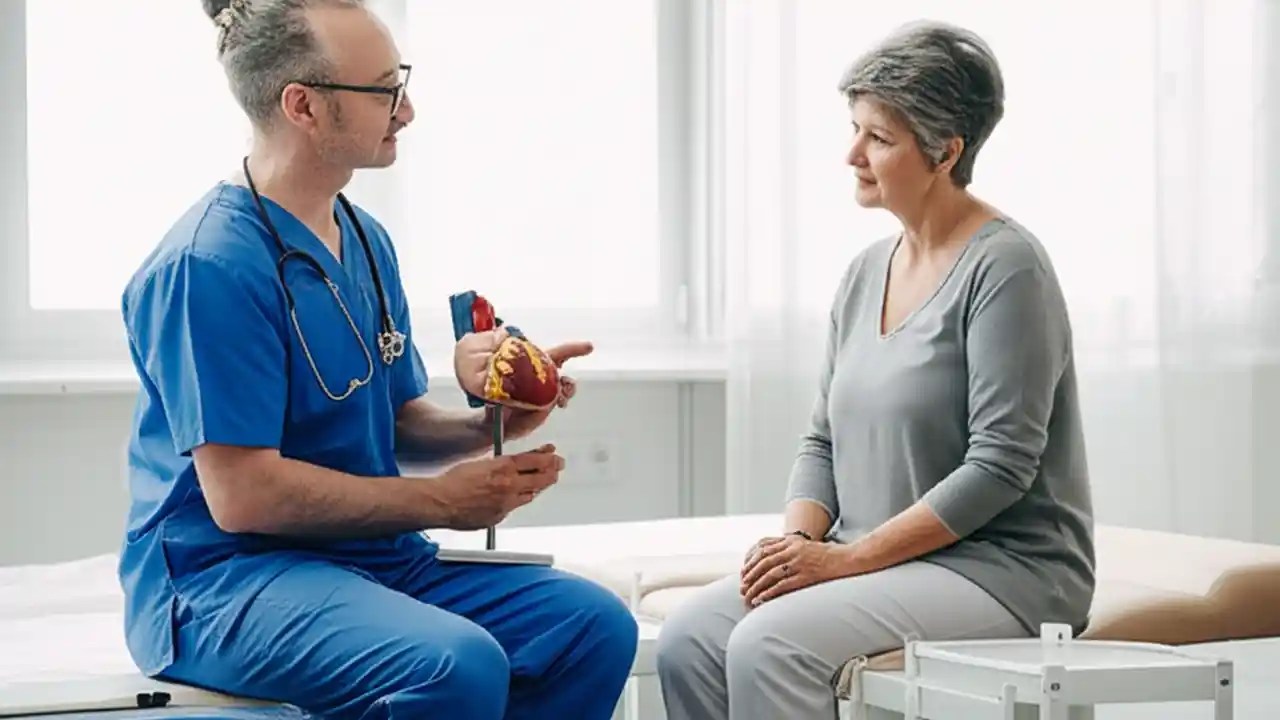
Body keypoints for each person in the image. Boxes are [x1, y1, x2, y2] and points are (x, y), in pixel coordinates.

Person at [117, 1, 637, 718]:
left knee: (590, 628)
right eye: (384, 91)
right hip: (227, 579)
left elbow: (393, 422)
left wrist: (491, 423)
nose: (408, 111)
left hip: (365, 558)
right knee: (454, 663)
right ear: (302, 105)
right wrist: (443, 503)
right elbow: (245, 496)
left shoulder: (363, 239)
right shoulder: (209, 266)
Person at [656, 19, 1095, 719]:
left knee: (770, 643)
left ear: (946, 152)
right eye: (854, 129)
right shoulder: (866, 273)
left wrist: (844, 563)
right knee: (691, 640)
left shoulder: (1007, 269)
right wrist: (800, 545)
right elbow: (821, 441)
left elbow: (1000, 466)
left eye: (879, 138)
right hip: (875, 559)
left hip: (1004, 572)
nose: (853, 154)